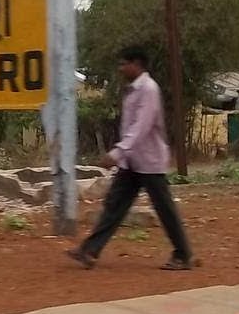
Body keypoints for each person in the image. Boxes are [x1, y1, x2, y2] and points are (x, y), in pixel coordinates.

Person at [66, 46, 194, 271]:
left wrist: (117, 152)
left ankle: (183, 255)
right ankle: (90, 250)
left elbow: (141, 127)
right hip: (133, 162)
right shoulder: (133, 90)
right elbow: (131, 127)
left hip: (150, 162)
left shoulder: (149, 89)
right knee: (114, 205)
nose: (121, 68)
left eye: (125, 63)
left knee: (164, 208)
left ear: (137, 64)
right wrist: (123, 154)